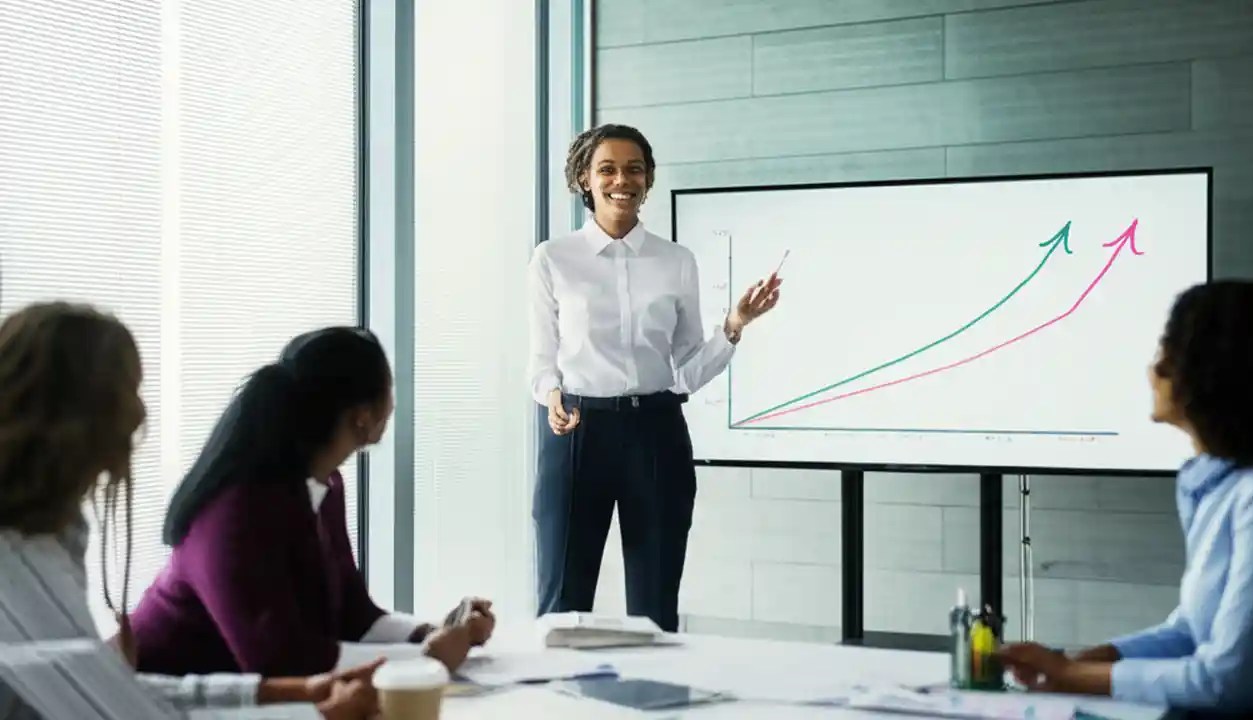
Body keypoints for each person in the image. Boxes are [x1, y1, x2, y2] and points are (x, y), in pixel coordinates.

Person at [0, 301, 380, 719]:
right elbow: (109, 711)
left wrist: (281, 694)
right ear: (70, 416)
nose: (140, 415)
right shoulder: (18, 552)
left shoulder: (58, 529)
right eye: (127, 392)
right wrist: (313, 714)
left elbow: (108, 688)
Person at [528, 123, 782, 632]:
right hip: (576, 430)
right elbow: (541, 357)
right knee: (562, 602)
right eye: (607, 169)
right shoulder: (553, 258)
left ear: (648, 179)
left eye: (634, 169)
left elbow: (685, 370)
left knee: (656, 603)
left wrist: (733, 326)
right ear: (584, 179)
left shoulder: (676, 261)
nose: (622, 180)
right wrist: (550, 394)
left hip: (656, 432)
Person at [130, 326, 495, 679]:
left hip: (248, 697)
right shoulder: (236, 512)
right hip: (158, 698)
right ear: (362, 417)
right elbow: (279, 659)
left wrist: (437, 633)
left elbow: (355, 617)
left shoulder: (325, 486)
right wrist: (425, 659)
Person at [998, 280, 1253, 712]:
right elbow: (1190, 631)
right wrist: (1080, 663)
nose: (1154, 369)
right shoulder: (1215, 482)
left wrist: (1072, 676)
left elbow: (1226, 680)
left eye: (1167, 351)